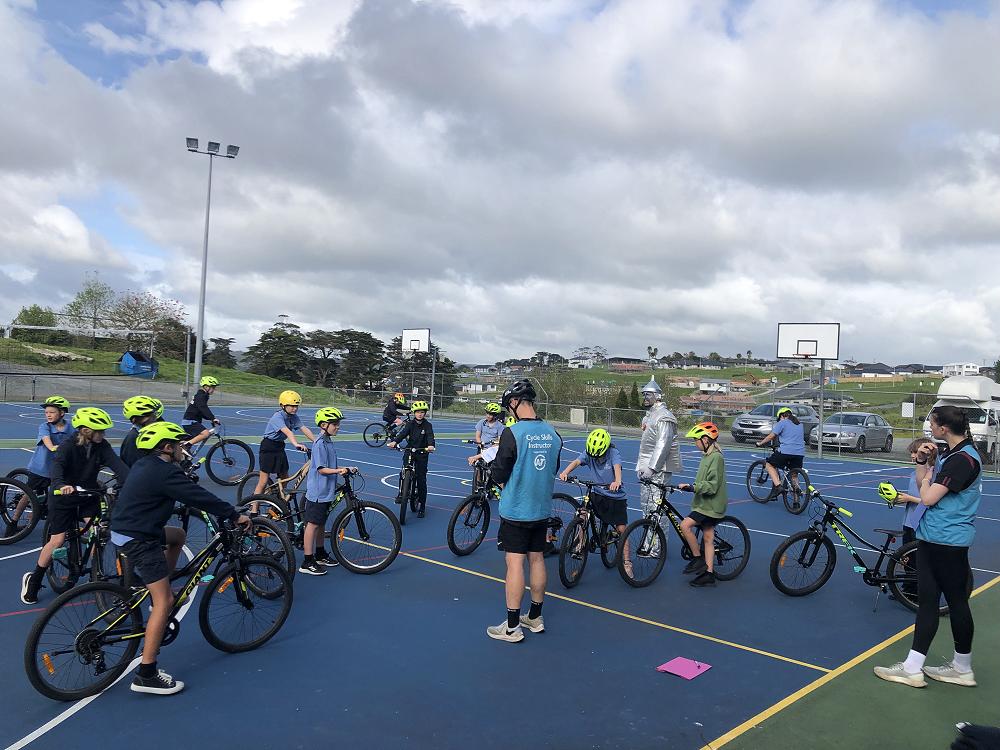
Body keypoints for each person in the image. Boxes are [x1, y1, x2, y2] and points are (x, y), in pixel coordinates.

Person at [111, 421, 250, 695]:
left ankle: (161, 588)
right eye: (178, 444)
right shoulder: (164, 472)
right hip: (140, 537)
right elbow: (198, 496)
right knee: (165, 602)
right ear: (166, 448)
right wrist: (234, 514)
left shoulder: (145, 464)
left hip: (126, 528)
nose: (182, 448)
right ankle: (147, 674)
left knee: (177, 535)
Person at [874, 405, 982, 689]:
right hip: (942, 539)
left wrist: (923, 488)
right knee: (945, 602)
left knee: (937, 603)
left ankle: (918, 669)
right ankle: (958, 668)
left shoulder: (962, 460)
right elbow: (925, 481)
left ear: (943, 428)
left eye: (932, 423)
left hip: (943, 540)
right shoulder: (953, 453)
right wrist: (923, 461)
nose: (930, 428)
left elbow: (929, 497)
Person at [20, 407, 129, 605]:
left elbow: (119, 467)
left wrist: (132, 483)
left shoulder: (101, 446)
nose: (104, 434)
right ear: (87, 431)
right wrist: (61, 485)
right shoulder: (67, 446)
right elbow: (57, 469)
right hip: (63, 497)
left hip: (88, 495)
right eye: (100, 431)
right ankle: (34, 580)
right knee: (57, 540)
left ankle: (96, 572)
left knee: (99, 530)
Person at [487, 379, 562, 643]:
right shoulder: (553, 433)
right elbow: (553, 467)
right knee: (537, 559)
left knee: (515, 563)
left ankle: (511, 627)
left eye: (509, 407)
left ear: (515, 403)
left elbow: (499, 473)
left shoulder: (513, 433)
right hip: (541, 508)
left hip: (517, 509)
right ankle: (535, 617)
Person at [559, 428, 627, 569]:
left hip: (615, 496)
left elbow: (617, 466)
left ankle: (627, 562)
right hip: (597, 493)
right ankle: (579, 544)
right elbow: (577, 462)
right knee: (582, 514)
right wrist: (565, 472)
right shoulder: (590, 452)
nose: (595, 459)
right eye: (592, 456)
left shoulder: (613, 452)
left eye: (598, 456)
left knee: (621, 529)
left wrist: (617, 481)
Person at [4, 396, 72, 537]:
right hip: (41, 468)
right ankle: (13, 522)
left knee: (63, 494)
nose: (48, 415)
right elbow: (46, 439)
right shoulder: (44, 427)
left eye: (52, 412)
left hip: (60, 469)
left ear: (62, 413)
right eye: (46, 412)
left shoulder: (70, 428)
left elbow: (78, 441)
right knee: (28, 494)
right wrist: (52, 447)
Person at [300, 407, 355, 575]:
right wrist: (339, 471)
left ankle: (320, 553)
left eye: (338, 423)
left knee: (321, 523)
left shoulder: (328, 441)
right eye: (335, 424)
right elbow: (321, 469)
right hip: (318, 492)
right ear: (324, 425)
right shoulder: (319, 444)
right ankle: (307, 561)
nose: (338, 426)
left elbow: (330, 465)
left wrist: (345, 467)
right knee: (312, 525)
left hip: (326, 491)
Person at [676, 422, 727, 588]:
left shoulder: (716, 458)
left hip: (711, 506)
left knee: (685, 525)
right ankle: (709, 574)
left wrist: (693, 487)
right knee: (708, 537)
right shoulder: (707, 456)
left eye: (696, 440)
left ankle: (698, 558)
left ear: (706, 439)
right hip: (704, 503)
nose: (695, 443)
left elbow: (712, 485)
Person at [635, 377, 682, 556]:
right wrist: (642, 466)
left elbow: (663, 444)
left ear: (657, 396)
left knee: (657, 508)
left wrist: (652, 468)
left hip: (659, 470)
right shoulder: (651, 416)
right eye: (644, 394)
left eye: (648, 394)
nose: (645, 397)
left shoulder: (664, 416)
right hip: (647, 468)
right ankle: (648, 543)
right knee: (647, 507)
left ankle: (656, 547)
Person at [251, 390, 315, 497]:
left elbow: (304, 428)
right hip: (268, 447)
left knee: (285, 477)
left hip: (279, 447)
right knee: (263, 481)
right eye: (292, 406)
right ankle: (254, 505)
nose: (295, 408)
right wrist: (296, 444)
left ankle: (278, 500)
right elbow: (288, 432)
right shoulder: (277, 417)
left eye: (296, 406)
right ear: (283, 405)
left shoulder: (293, 417)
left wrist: (316, 441)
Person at [387, 400, 435, 517]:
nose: (420, 414)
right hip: (410, 451)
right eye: (418, 412)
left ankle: (422, 506)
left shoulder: (427, 425)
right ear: (414, 413)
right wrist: (394, 442)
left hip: (422, 452)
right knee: (403, 472)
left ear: (425, 413)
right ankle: (401, 493)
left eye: (422, 412)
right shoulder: (410, 424)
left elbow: (430, 436)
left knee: (421, 479)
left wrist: (430, 445)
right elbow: (403, 434)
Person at [756, 406, 806, 507]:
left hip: (786, 451)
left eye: (779, 418)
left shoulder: (782, 422)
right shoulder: (799, 424)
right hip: (799, 453)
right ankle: (796, 502)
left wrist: (760, 443)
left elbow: (772, 436)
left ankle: (778, 487)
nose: (779, 420)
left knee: (769, 464)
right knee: (794, 475)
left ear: (782, 416)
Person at [120, 396, 164, 467]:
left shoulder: (147, 434)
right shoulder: (133, 439)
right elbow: (134, 468)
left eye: (154, 414)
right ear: (135, 420)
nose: (155, 418)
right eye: (149, 415)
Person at [180, 376, 220, 447]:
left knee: (191, 439)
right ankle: (186, 445)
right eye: (213, 387)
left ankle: (183, 447)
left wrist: (210, 419)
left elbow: (201, 411)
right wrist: (212, 418)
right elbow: (203, 408)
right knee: (205, 433)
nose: (214, 389)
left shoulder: (201, 395)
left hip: (191, 421)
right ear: (206, 387)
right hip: (190, 422)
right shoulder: (201, 396)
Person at [467, 402, 504, 467]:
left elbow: (499, 439)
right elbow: (478, 436)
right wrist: (480, 444)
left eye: (490, 414)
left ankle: (475, 458)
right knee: (478, 466)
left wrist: (494, 445)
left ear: (496, 415)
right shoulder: (481, 422)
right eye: (487, 413)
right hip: (482, 446)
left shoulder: (500, 426)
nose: (488, 416)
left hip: (492, 448)